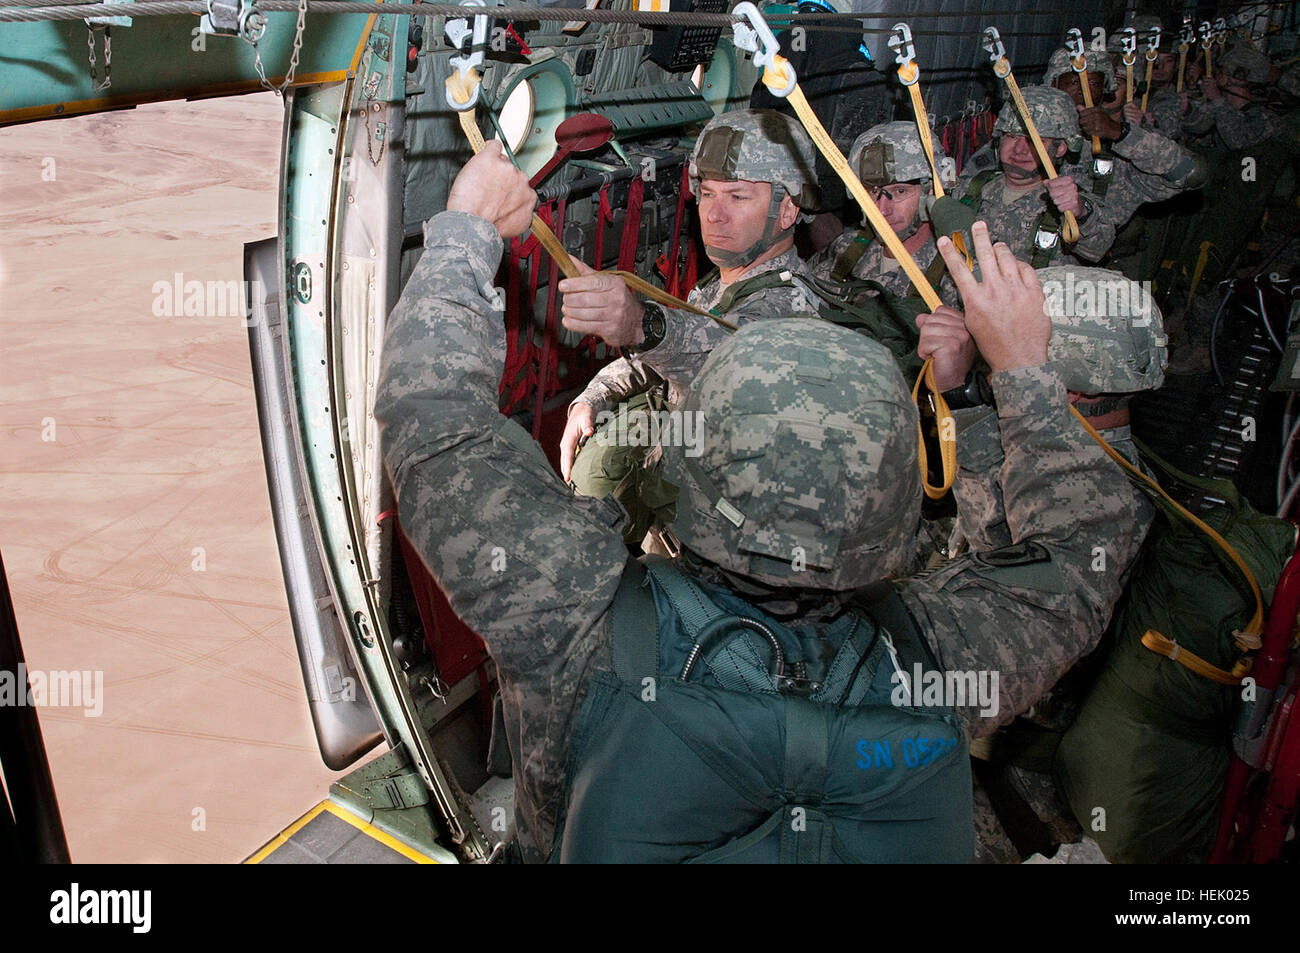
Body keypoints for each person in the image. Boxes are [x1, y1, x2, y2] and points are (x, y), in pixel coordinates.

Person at [375, 142, 1142, 862]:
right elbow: (1079, 562)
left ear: (688, 469)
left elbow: (432, 423)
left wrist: (466, 227)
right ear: (894, 511)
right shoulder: (944, 660)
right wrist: (1022, 378)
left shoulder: (573, 615)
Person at [556, 109, 821, 538]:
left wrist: (642, 325)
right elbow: (669, 355)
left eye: (737, 197)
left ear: (787, 209)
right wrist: (593, 398)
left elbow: (722, 358)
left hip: (724, 540)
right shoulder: (723, 284)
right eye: (709, 194)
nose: (714, 215)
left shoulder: (790, 306)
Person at [808, 120, 962, 307]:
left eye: (899, 192)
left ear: (930, 191)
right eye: (872, 192)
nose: (882, 209)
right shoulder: (845, 249)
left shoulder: (956, 271)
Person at [958, 86, 1115, 266]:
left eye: (1036, 141)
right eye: (1012, 136)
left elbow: (1098, 247)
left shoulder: (1069, 202)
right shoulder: (972, 188)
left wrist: (1079, 212)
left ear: (1061, 148)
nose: (1020, 149)